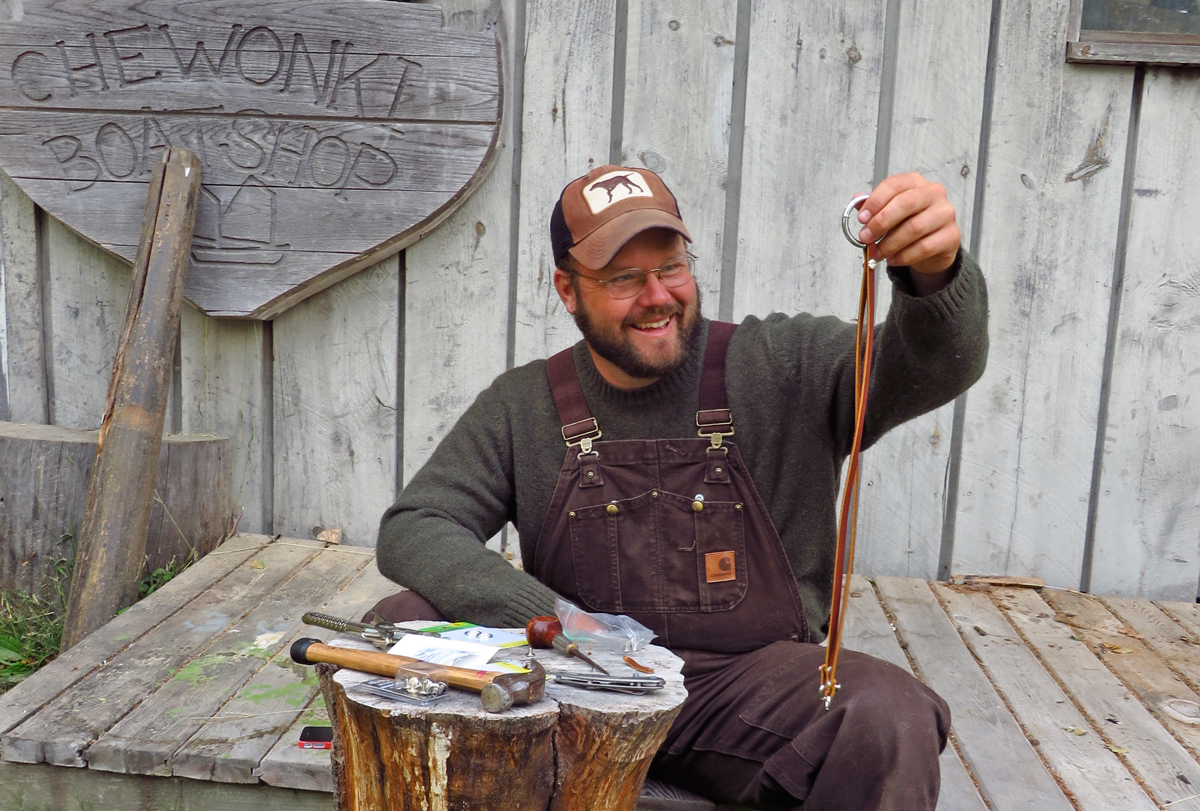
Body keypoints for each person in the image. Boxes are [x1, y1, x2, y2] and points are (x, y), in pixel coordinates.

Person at [373, 164, 988, 810]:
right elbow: (416, 522)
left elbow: (938, 362)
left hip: (741, 695)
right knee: (401, 624)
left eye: (670, 266)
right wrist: (558, 621)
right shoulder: (525, 405)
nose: (657, 295)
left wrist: (934, 270)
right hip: (573, 693)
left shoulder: (782, 364)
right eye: (623, 279)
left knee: (889, 712)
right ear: (568, 289)